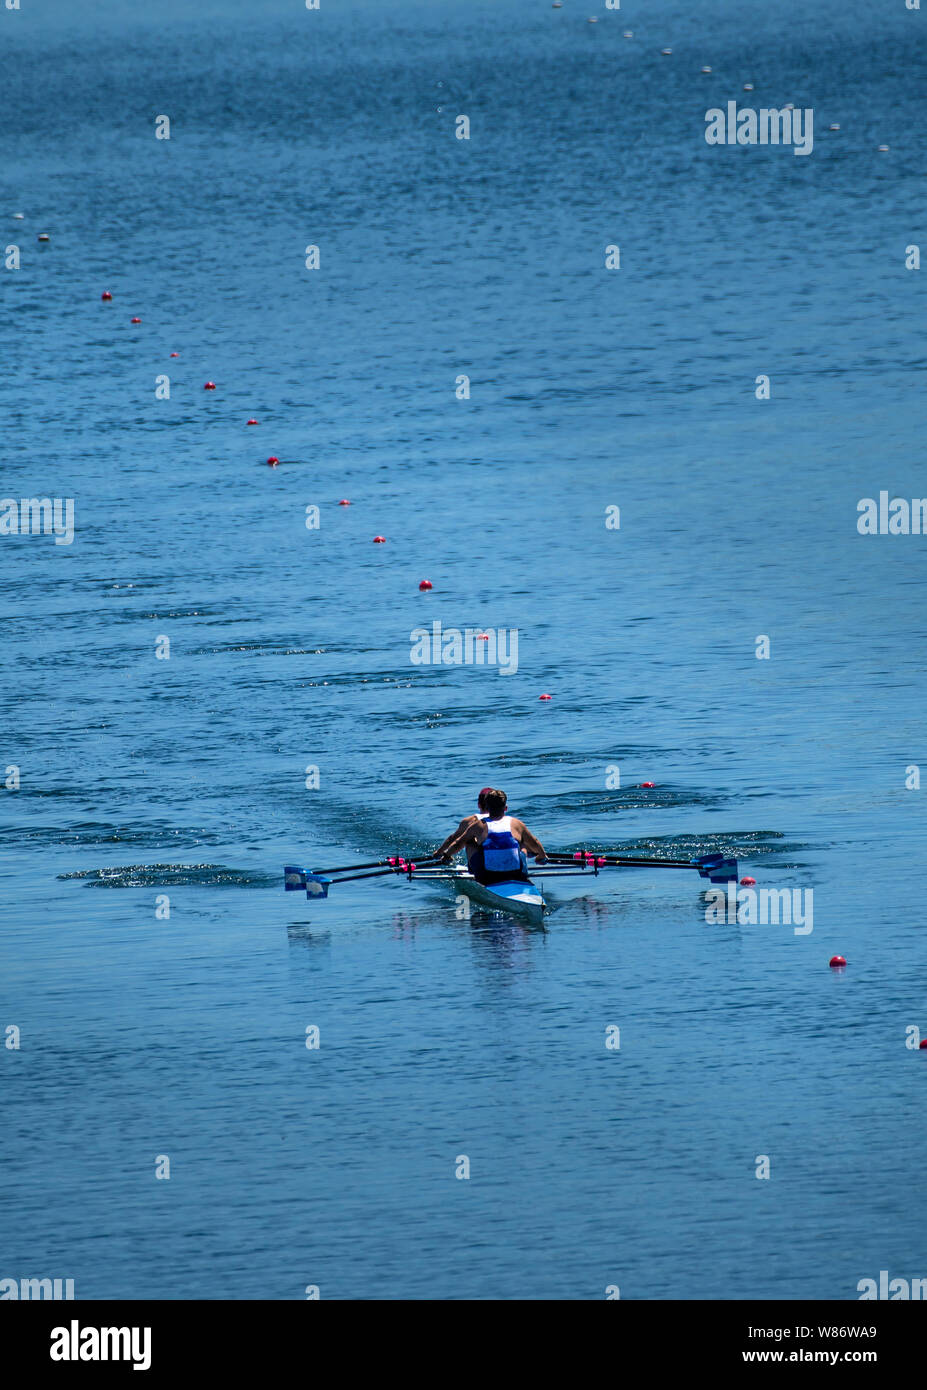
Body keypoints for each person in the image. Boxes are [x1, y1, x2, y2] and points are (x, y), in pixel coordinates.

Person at [440, 788, 547, 885]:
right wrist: (541, 856)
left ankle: (476, 868)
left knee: (469, 842)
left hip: (488, 876)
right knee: (522, 843)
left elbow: (458, 844)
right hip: (517, 874)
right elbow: (535, 842)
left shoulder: (478, 825)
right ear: (505, 808)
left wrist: (446, 856)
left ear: (487, 807)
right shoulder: (517, 824)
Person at [434, 787, 494, 860]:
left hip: (481, 864)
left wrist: (440, 852)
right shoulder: (506, 820)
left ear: (479, 805)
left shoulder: (471, 820)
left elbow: (454, 839)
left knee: (468, 839)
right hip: (504, 859)